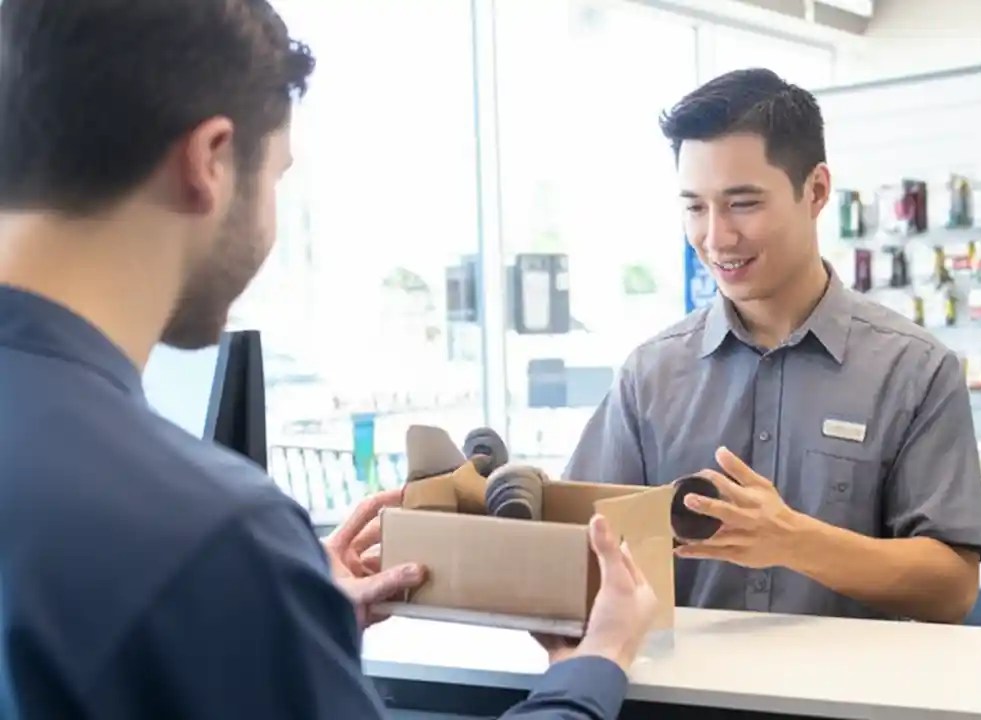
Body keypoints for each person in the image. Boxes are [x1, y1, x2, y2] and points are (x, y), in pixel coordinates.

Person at [0, 1, 656, 718]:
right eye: (278, 176)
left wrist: (289, 630)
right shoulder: (207, 537)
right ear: (209, 161)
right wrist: (593, 667)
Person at [563, 68, 981, 625]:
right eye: (695, 207)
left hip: (846, 705)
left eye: (742, 203)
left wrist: (794, 540)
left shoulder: (914, 370)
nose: (716, 237)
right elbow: (581, 541)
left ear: (815, 191)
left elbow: (951, 589)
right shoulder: (650, 374)